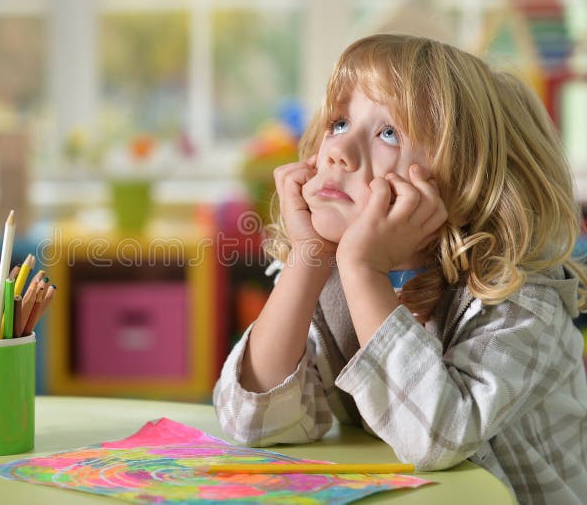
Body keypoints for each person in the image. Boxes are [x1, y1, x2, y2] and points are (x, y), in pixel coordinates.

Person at [213, 34, 587, 504]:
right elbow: (256, 424)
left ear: (466, 179)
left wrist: (363, 268)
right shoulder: (332, 276)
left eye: (388, 132)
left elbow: (436, 439)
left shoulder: (518, 299)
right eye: (339, 122)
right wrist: (306, 260)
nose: (338, 152)